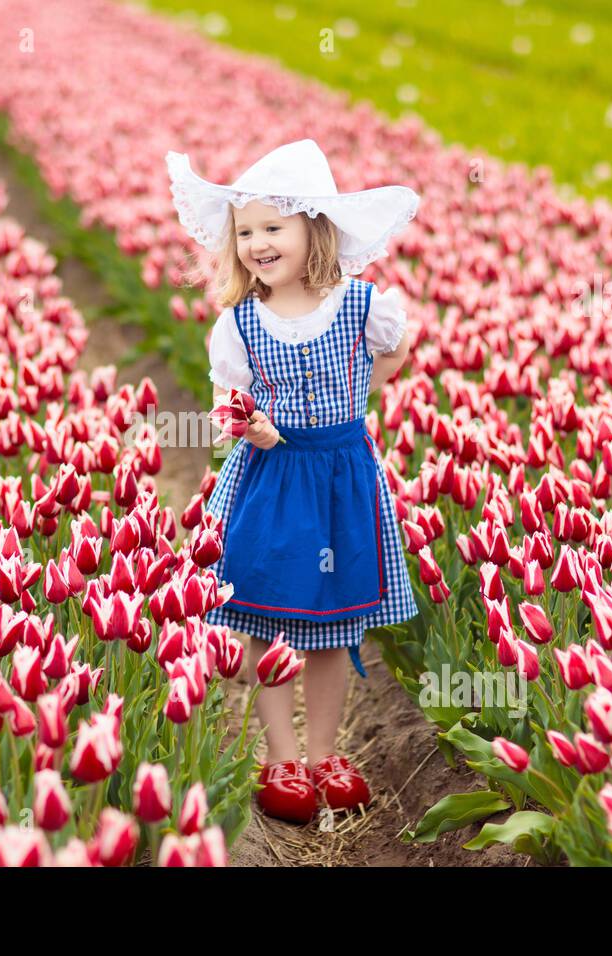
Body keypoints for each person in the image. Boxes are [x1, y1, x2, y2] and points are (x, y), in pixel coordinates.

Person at [166, 139, 422, 824]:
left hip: (340, 477)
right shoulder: (239, 322)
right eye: (244, 232)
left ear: (315, 230)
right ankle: (280, 755)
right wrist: (248, 427)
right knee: (266, 618)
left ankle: (324, 753)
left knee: (334, 629)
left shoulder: (363, 305)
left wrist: (358, 396)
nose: (256, 243)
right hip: (273, 480)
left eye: (271, 228)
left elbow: (396, 350)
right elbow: (227, 404)